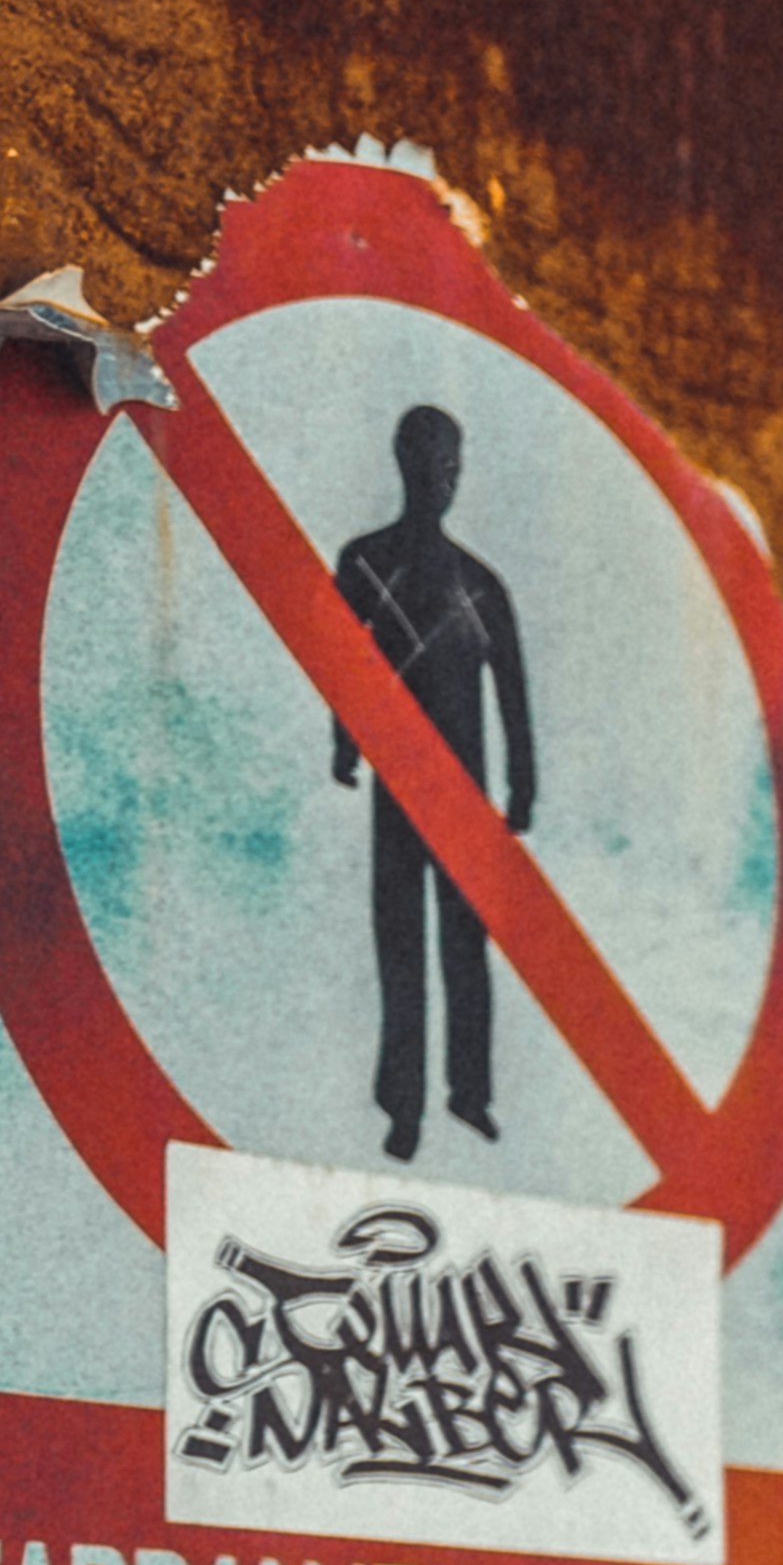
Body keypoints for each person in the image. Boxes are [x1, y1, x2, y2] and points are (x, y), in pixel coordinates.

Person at [332, 403, 535, 1165]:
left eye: (452, 466)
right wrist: (344, 743)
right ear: (403, 464)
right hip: (397, 786)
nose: (441, 479)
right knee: (401, 943)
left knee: (464, 941)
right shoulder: (364, 564)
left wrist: (523, 785)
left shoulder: (480, 585)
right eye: (429, 463)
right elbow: (340, 663)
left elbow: (512, 689)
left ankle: (468, 1094)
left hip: (467, 797)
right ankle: (403, 1104)